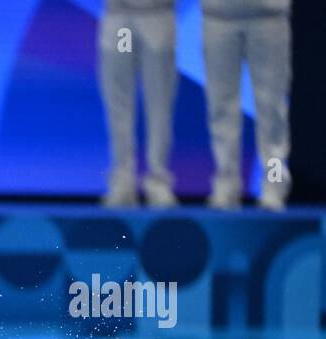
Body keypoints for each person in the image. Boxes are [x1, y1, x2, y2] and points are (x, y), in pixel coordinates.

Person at [201, 0, 293, 211]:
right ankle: (226, 186)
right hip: (218, 16)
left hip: (268, 16)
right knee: (221, 109)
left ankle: (274, 186)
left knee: (272, 110)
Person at [99, 0, 180, 208]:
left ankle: (158, 180)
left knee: (160, 103)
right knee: (119, 102)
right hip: (120, 18)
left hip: (157, 16)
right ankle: (123, 180)